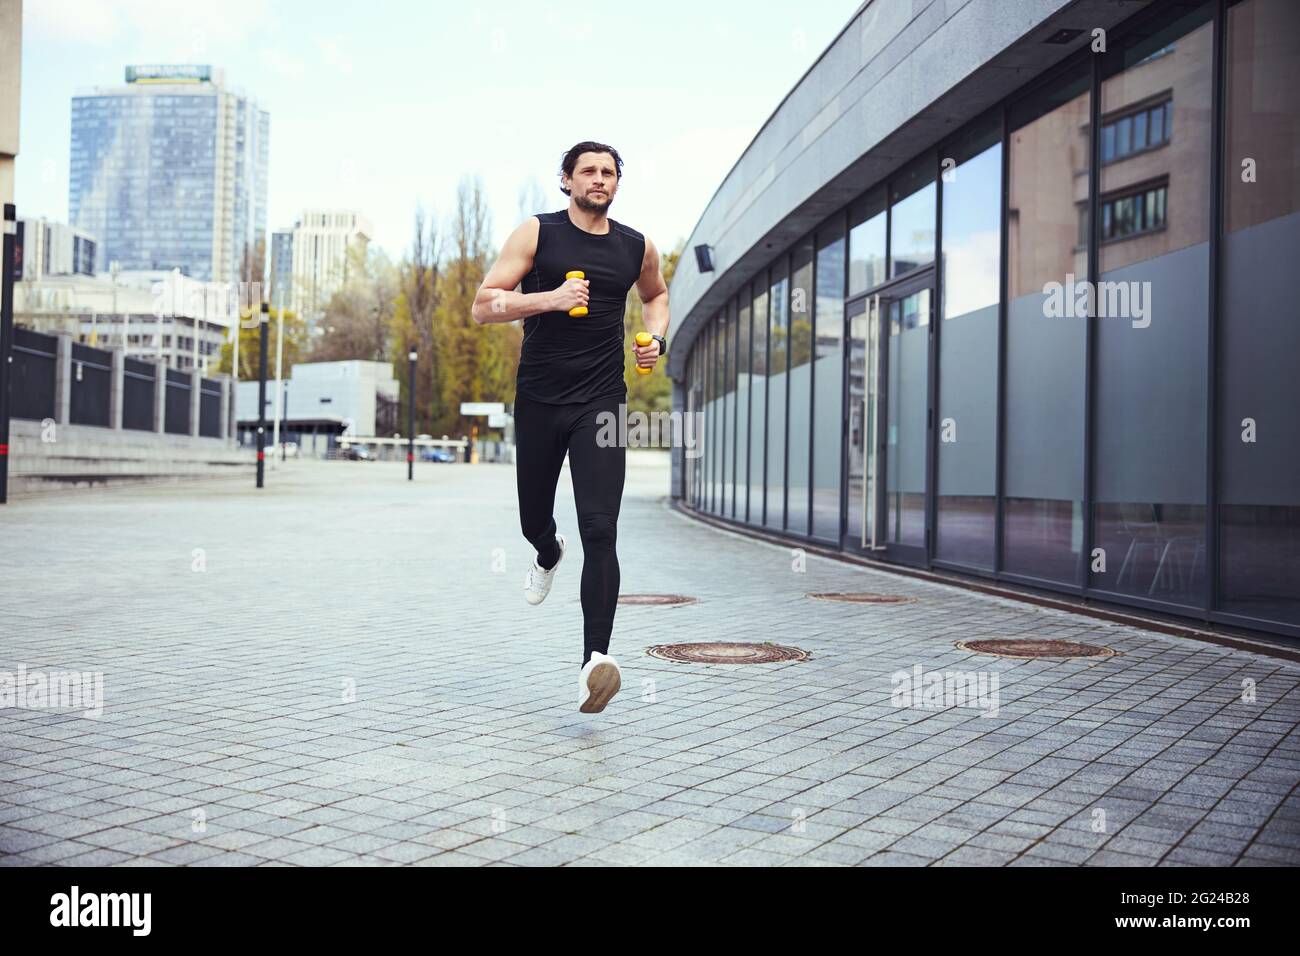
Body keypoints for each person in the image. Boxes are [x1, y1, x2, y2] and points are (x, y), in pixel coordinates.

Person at [471, 141, 669, 713]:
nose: (599, 179)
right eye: (588, 171)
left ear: (617, 183)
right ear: (567, 180)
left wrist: (656, 339)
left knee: (601, 529)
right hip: (539, 400)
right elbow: (484, 306)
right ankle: (546, 550)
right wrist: (551, 299)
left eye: (609, 172)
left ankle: (594, 662)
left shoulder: (636, 246)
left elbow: (656, 295)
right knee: (533, 518)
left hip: (602, 404)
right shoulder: (538, 233)